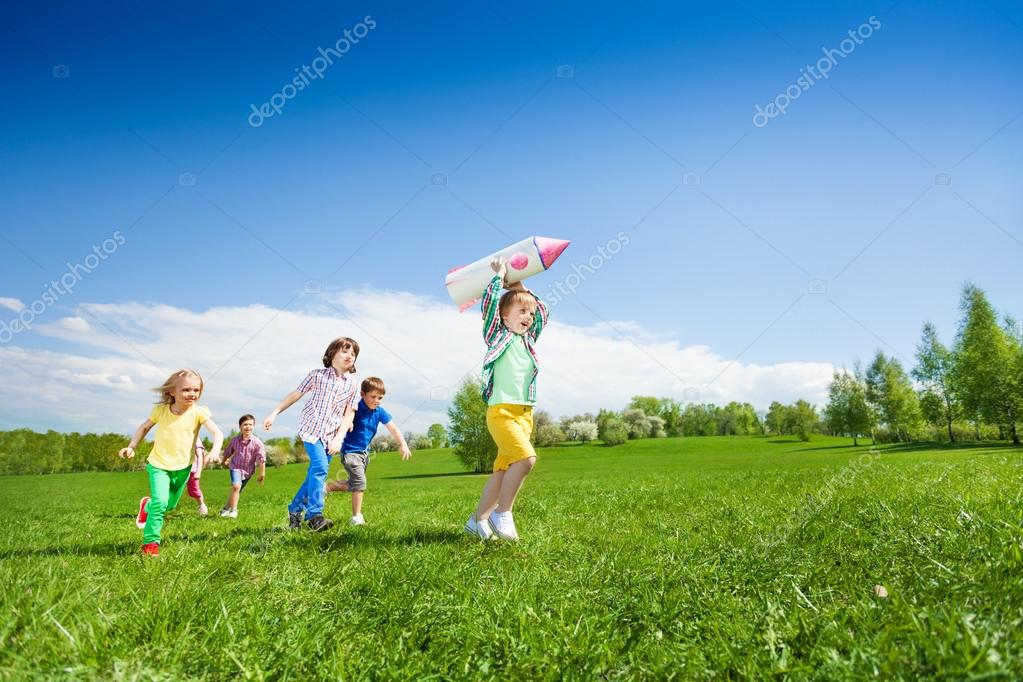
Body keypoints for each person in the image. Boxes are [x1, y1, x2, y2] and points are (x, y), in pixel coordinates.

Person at [464, 258, 549, 542]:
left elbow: (543, 314)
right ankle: (504, 512)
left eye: (530, 312)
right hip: (501, 412)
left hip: (525, 415)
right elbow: (488, 304)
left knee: (503, 471)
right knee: (526, 459)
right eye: (521, 311)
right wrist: (499, 277)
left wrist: (522, 287)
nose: (528, 316)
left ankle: (477, 521)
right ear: (504, 316)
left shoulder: (529, 340)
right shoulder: (497, 336)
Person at [119, 369, 223, 555]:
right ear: (171, 391)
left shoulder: (199, 412)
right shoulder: (160, 411)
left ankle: (147, 506)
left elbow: (217, 432)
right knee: (160, 502)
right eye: (186, 390)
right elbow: (144, 428)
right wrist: (131, 447)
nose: (192, 394)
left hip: (183, 468)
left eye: (196, 390)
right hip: (158, 465)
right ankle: (150, 544)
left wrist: (215, 450)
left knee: (169, 506)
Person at [264, 337, 359, 531]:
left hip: (331, 435)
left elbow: (349, 414)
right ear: (332, 353)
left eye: (353, 353)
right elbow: (295, 395)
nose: (350, 355)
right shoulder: (316, 375)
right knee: (320, 468)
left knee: (313, 477)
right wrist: (274, 413)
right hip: (311, 430)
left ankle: (294, 511)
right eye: (345, 351)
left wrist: (338, 438)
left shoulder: (354, 384)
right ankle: (315, 515)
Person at [326, 377, 411, 525]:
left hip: (364, 454)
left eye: (380, 397)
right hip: (350, 452)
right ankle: (356, 517)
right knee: (360, 482)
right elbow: (340, 418)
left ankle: (327, 487)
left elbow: (393, 428)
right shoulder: (355, 407)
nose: (376, 400)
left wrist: (403, 444)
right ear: (362, 394)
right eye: (373, 396)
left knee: (354, 484)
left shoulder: (379, 411)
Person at [219, 414, 266, 519]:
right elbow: (227, 452)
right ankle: (234, 511)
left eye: (250, 424)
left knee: (236, 490)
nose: (247, 427)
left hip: (248, 471)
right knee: (236, 486)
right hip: (235, 467)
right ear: (240, 426)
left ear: (253, 426)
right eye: (245, 424)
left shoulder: (257, 443)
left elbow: (261, 459)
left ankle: (225, 508)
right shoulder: (235, 440)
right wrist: (222, 462)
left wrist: (262, 473)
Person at [186, 436, 209, 516]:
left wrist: (198, 471)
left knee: (193, 490)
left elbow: (200, 456)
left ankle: (202, 505)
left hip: (193, 469)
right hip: (180, 468)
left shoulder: (195, 438)